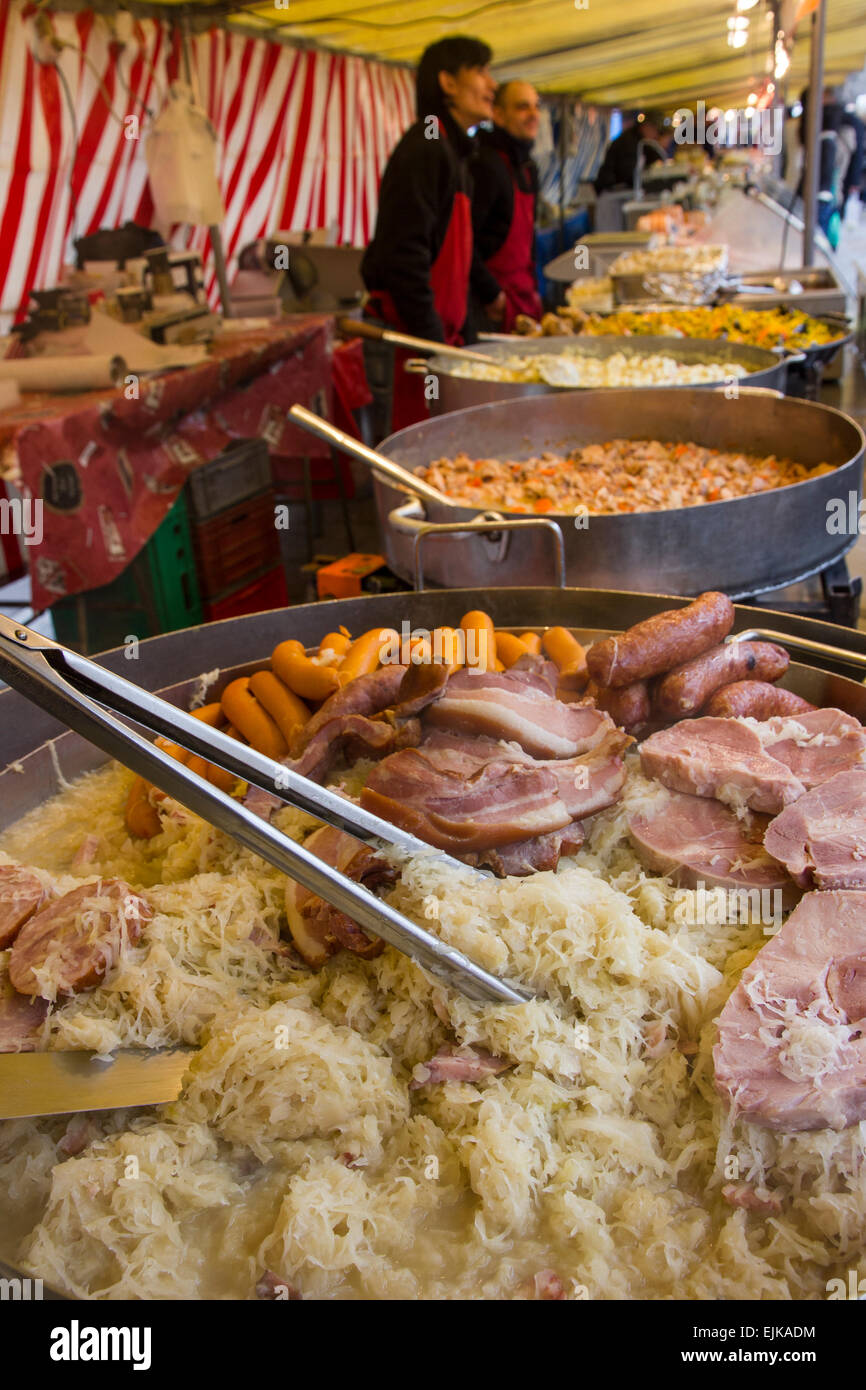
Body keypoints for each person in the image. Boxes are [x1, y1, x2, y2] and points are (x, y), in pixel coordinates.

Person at [361, 35, 496, 431]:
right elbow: (403, 256)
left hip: (440, 339)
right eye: (481, 72)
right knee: (415, 453)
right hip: (412, 344)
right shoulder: (424, 148)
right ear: (448, 83)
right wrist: (433, 344)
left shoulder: (455, 153)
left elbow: (459, 255)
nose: (492, 85)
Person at [470, 80, 543, 332]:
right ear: (498, 114)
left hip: (525, 296)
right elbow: (464, 241)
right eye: (523, 107)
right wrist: (492, 295)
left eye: (536, 106)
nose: (533, 115)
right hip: (492, 307)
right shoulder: (485, 165)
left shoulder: (528, 167)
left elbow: (529, 241)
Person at [594, 111, 666, 193]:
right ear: (646, 126)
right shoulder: (630, 142)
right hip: (612, 190)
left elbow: (655, 159)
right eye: (655, 130)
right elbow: (627, 173)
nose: (656, 135)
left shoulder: (642, 142)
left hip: (620, 189)